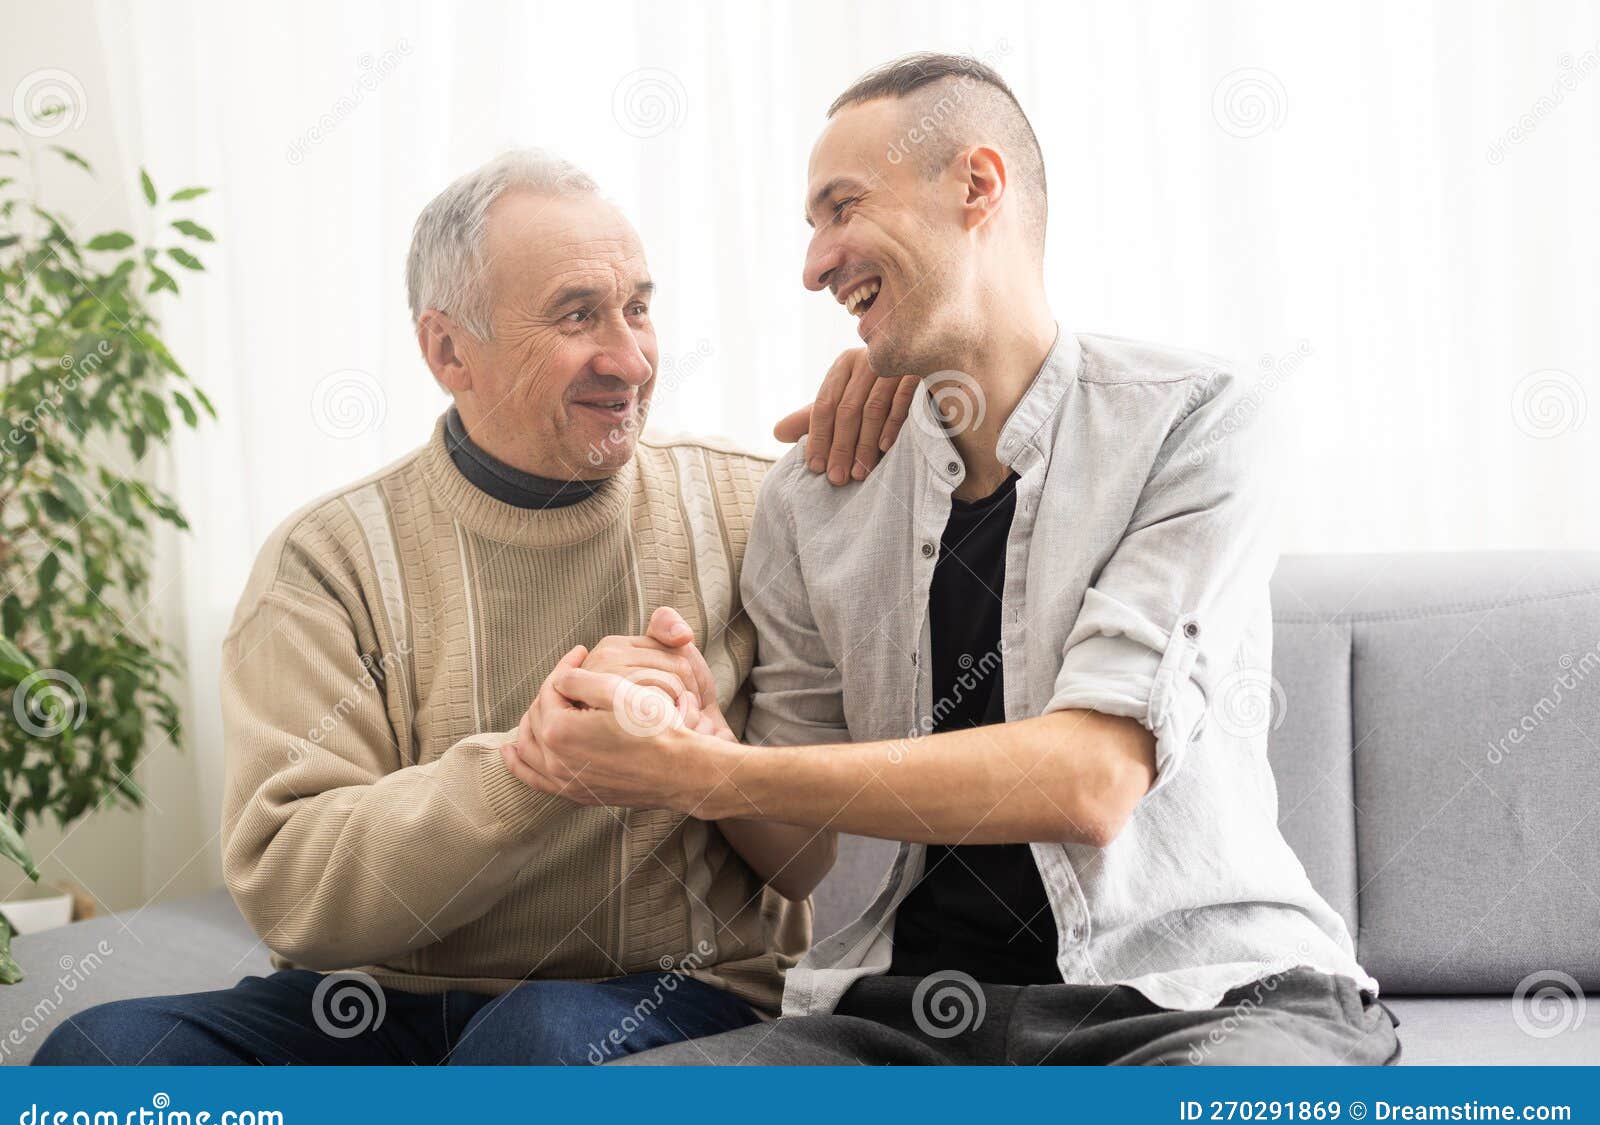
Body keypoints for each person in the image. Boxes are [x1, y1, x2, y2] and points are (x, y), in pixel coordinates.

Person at [508, 54, 1400, 1066]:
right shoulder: (814, 494)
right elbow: (796, 860)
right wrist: (698, 740)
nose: (813, 264)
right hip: (909, 1020)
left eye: (840, 208)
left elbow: (1091, 779)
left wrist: (713, 770)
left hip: (1208, 998)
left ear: (976, 186)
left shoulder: (1196, 421)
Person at [32, 149, 911, 1066]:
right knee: (100, 1056)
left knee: (528, 1049)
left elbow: (802, 866)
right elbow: (291, 889)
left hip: (672, 997)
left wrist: (707, 753)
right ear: (449, 350)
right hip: (374, 1008)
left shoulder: (751, 506)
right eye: (579, 315)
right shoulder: (324, 562)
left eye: (639, 307)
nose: (633, 358)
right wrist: (528, 770)